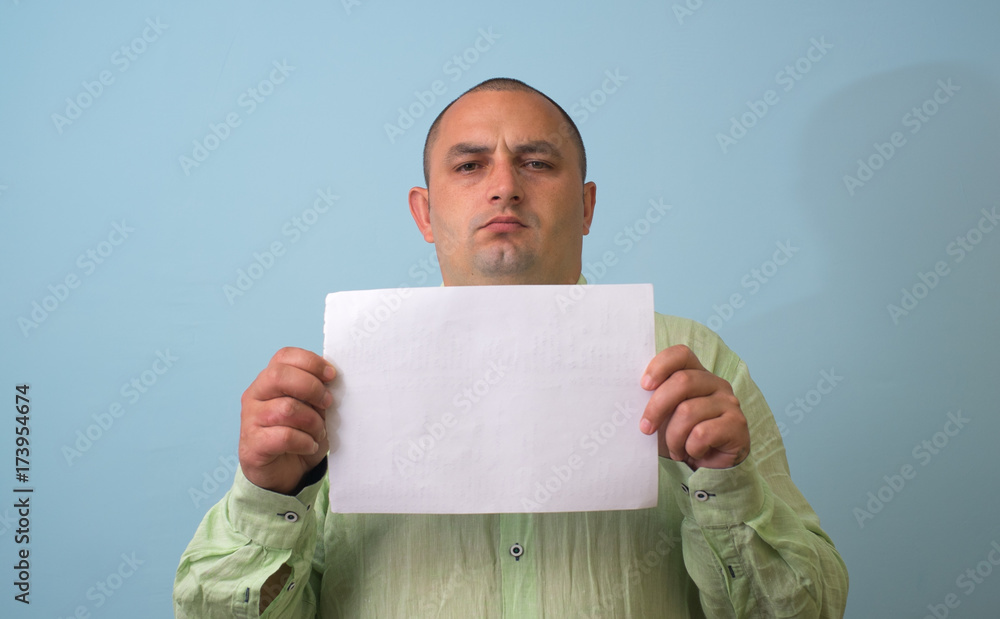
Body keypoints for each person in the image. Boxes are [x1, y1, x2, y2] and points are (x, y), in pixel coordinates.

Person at [174, 78, 849, 617]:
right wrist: (270, 494)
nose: (504, 185)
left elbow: (808, 609)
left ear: (585, 207)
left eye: (536, 161)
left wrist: (724, 479)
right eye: (470, 164)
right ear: (424, 211)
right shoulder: (331, 384)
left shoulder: (694, 363)